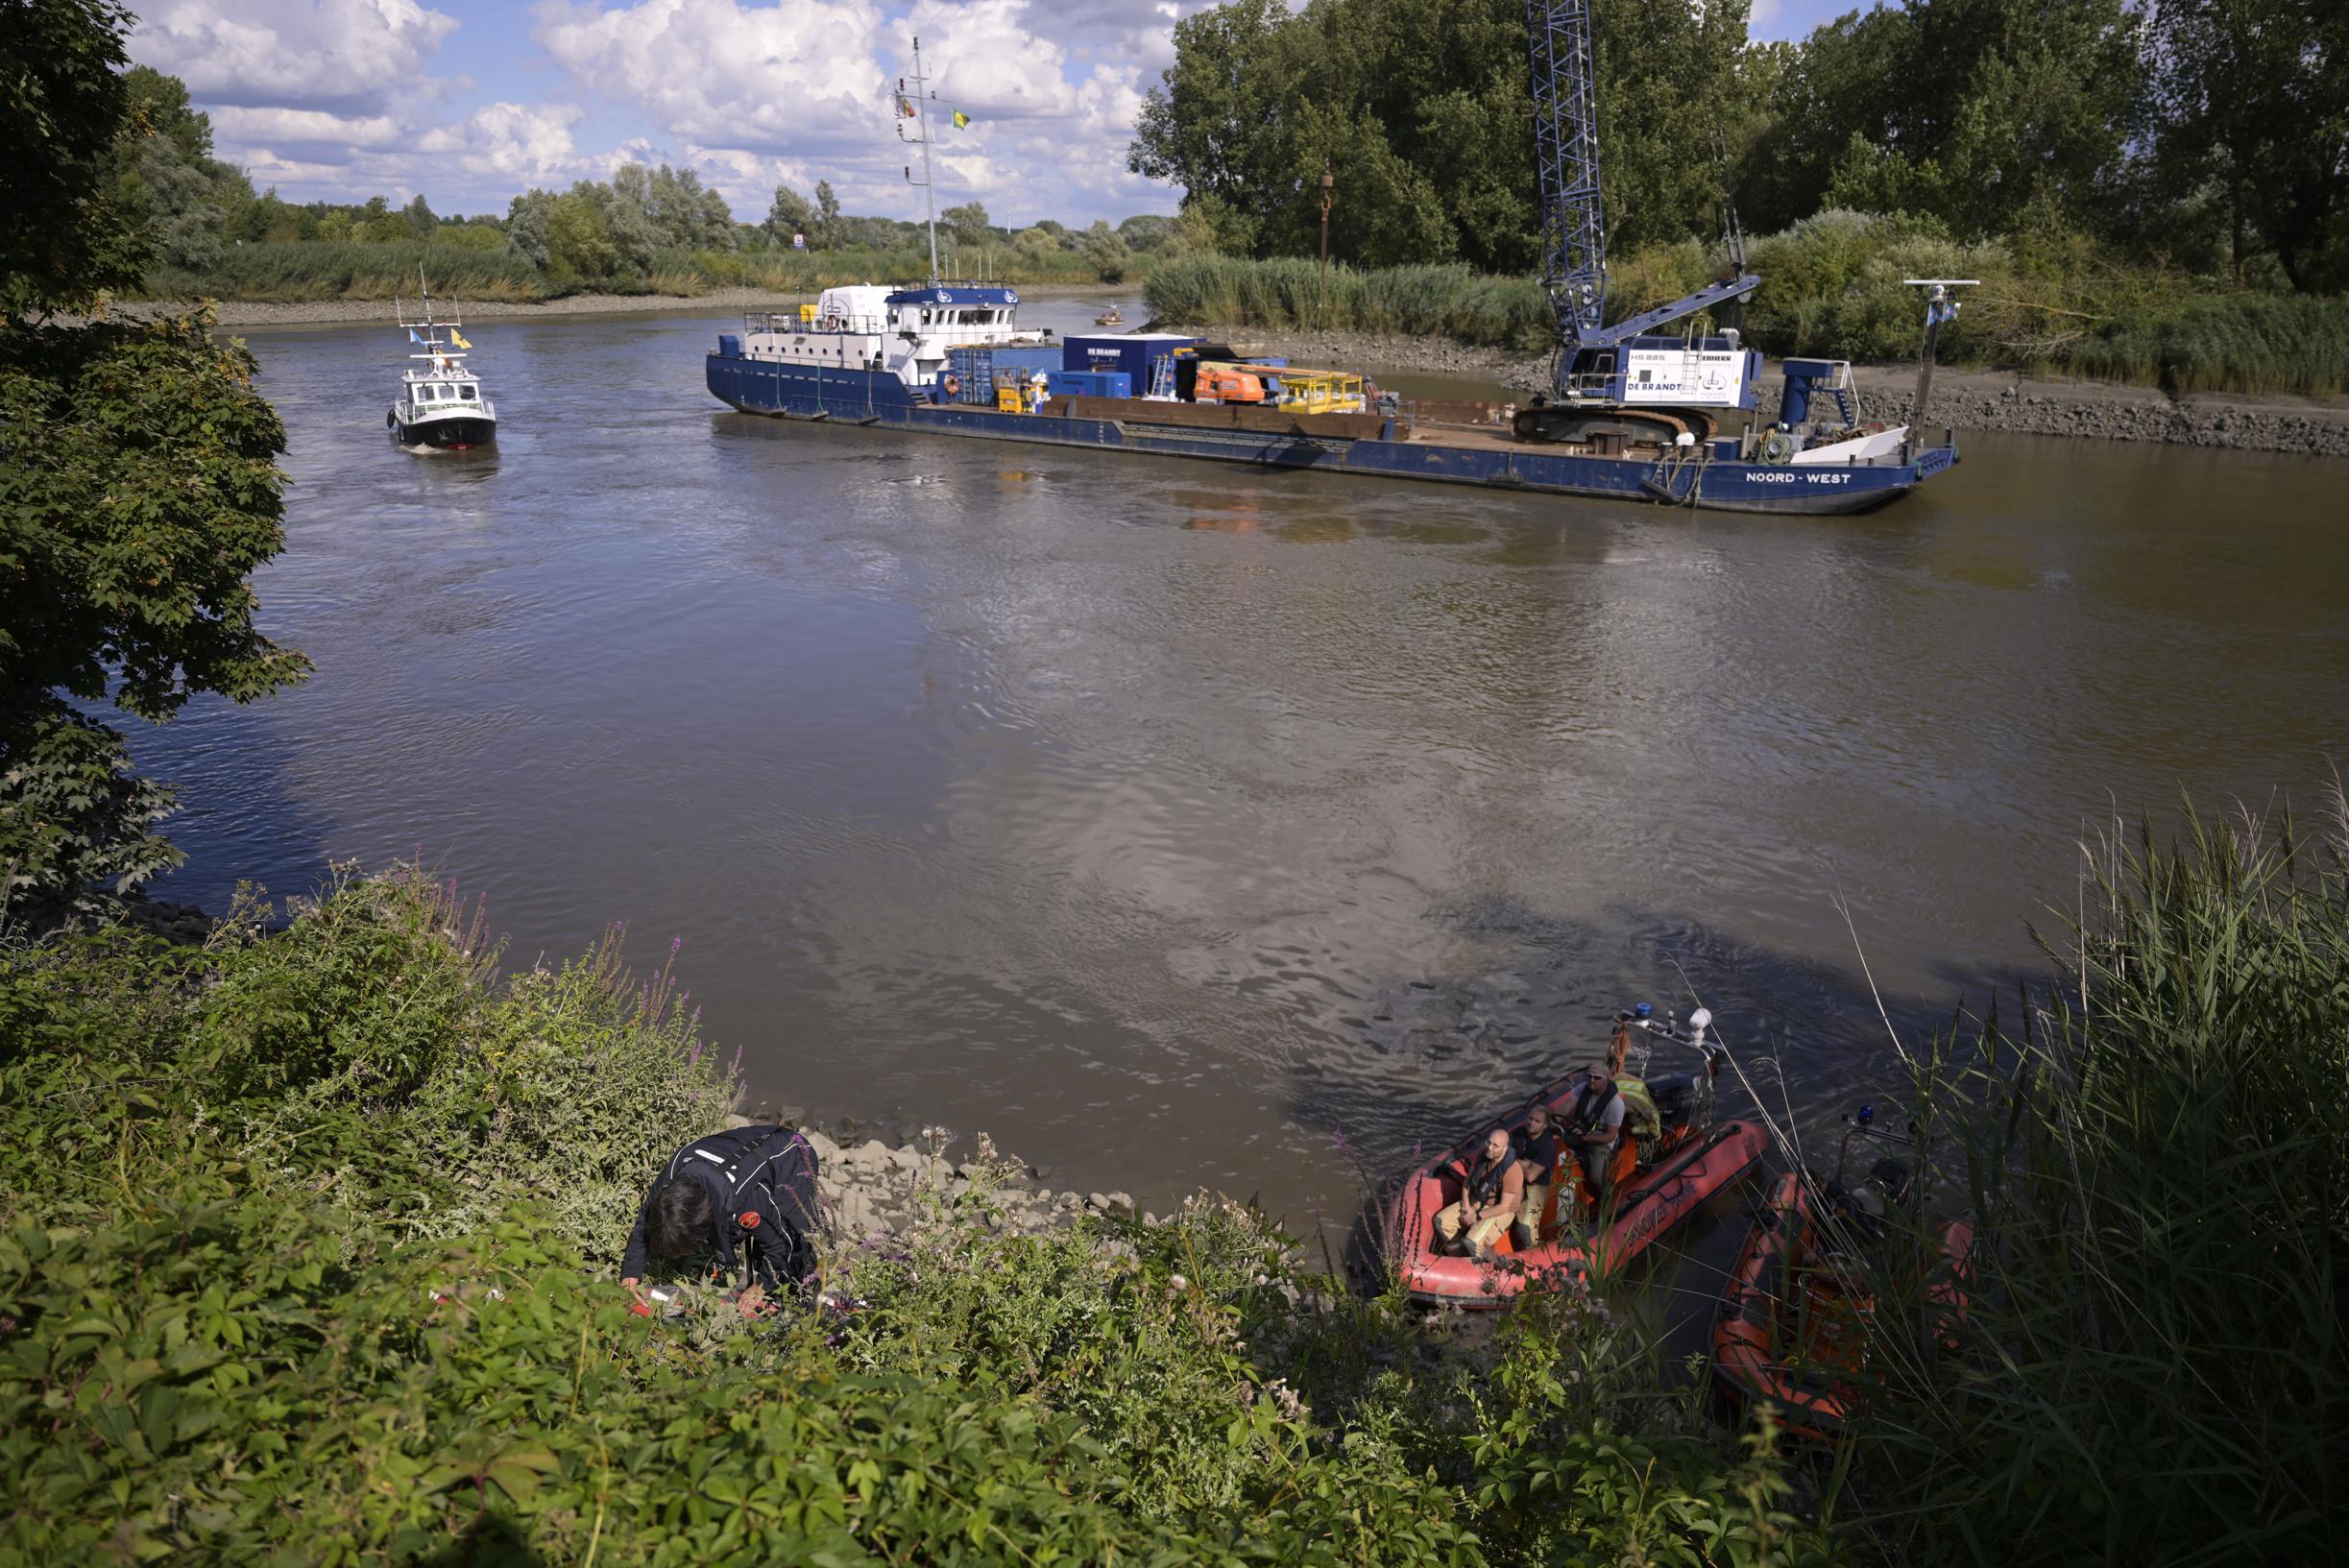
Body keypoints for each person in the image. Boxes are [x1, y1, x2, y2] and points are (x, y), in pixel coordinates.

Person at [619, 1124, 820, 1314]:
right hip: (747, 1151)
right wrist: (630, 1276)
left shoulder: (746, 1206)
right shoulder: (670, 1180)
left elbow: (780, 1245)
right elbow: (645, 1222)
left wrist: (760, 1286)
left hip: (792, 1158)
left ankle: (805, 1299)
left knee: (794, 1243)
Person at [1434, 1126, 1523, 1260]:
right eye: (1488, 1142)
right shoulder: (1482, 1155)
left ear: (1504, 1149)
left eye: (1495, 1146)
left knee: (1473, 1242)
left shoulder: (1513, 1171)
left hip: (1499, 1210)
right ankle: (1459, 1259)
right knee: (1440, 1222)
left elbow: (1504, 1207)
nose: (1490, 1148)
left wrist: (1476, 1217)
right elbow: (1467, 1183)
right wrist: (1466, 1208)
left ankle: (1484, 1271)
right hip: (1478, 1200)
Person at [1564, 1063, 1627, 1210]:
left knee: (1596, 1178)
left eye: (1597, 1078)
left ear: (1606, 1080)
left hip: (1601, 1142)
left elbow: (1610, 1136)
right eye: (1589, 1076)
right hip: (1582, 1130)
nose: (1592, 1080)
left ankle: (1606, 1202)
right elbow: (1565, 1107)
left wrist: (1585, 1138)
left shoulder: (1616, 1104)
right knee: (1561, 1143)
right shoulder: (1583, 1089)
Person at [1512, 1102, 1563, 1248]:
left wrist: (1514, 1162)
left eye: (1537, 1121)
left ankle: (1534, 1251)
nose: (1532, 1123)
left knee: (1525, 1225)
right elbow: (1504, 1157)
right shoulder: (1518, 1133)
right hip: (1516, 1180)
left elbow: (1531, 1177)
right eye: (1530, 1118)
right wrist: (1525, 1163)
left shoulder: (1547, 1146)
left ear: (1545, 1125)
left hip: (1536, 1186)